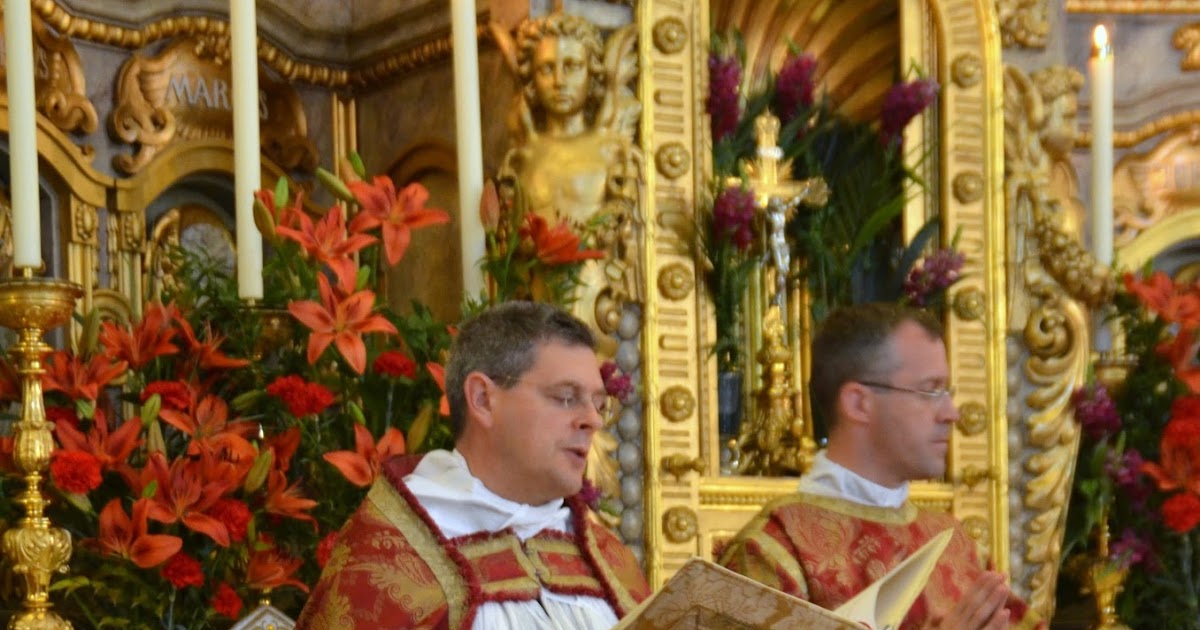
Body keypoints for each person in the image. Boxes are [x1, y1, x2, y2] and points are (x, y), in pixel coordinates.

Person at [297, 301, 650, 629]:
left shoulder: (607, 562)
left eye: (598, 403)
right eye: (566, 397)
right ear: (483, 399)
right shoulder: (387, 561)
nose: (593, 420)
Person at [719, 302, 1043, 630]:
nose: (951, 413)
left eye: (948, 392)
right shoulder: (773, 551)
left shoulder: (953, 542)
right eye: (930, 391)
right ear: (859, 403)